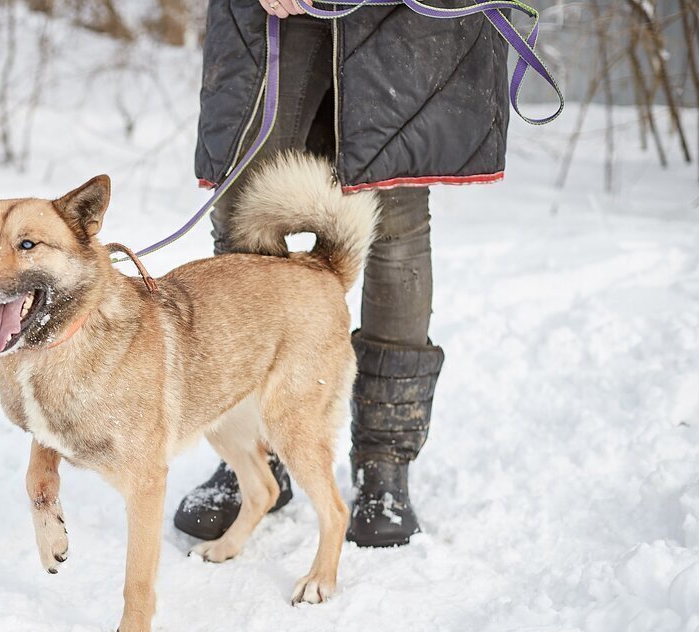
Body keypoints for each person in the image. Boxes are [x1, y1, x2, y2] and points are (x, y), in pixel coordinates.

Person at [174, 0, 510, 547]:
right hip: (271, 14)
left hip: (406, 17)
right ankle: (257, 452)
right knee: (246, 206)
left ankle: (384, 461)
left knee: (394, 215)